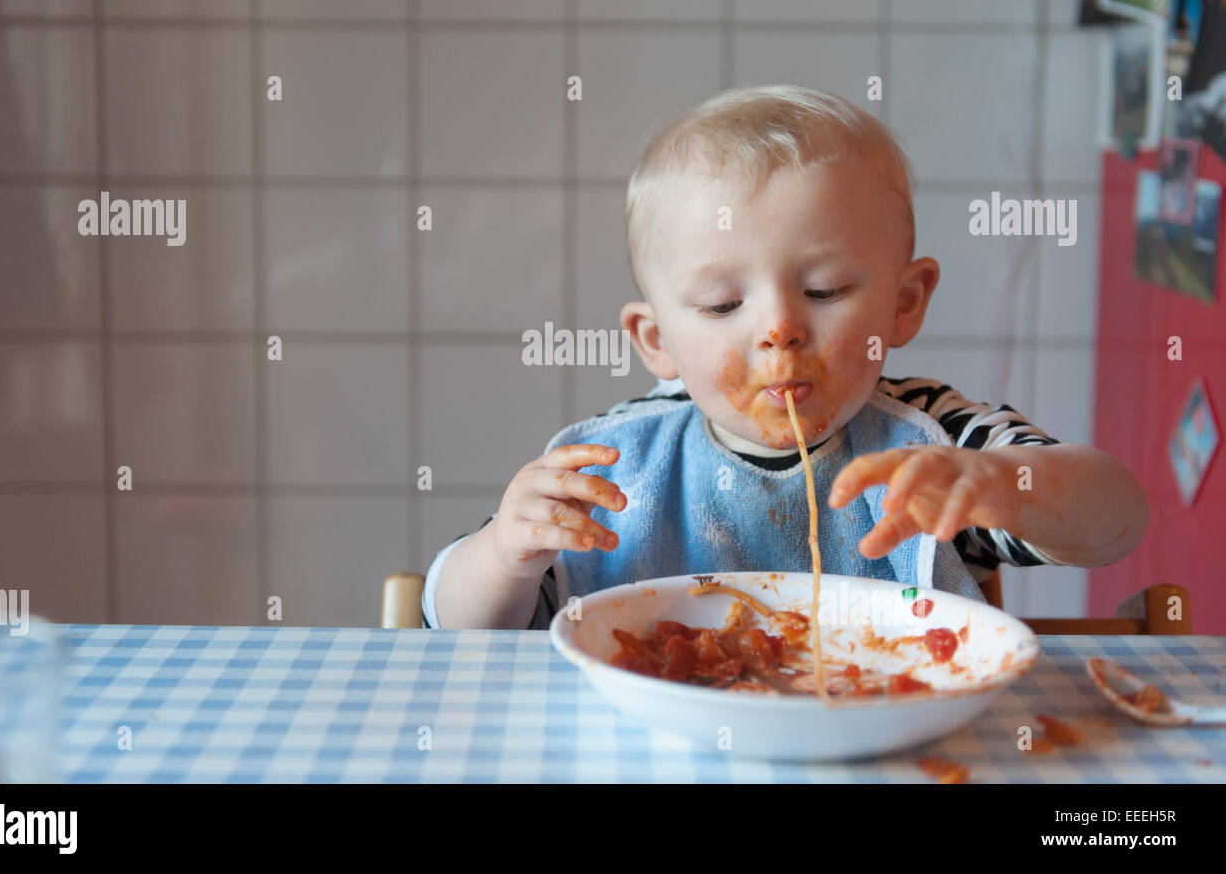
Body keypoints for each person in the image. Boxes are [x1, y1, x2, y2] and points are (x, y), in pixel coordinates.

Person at [423, 85, 1149, 630]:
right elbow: (453, 627)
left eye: (824, 289)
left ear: (903, 302)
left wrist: (1000, 485)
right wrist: (504, 556)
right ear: (656, 340)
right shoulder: (616, 468)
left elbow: (1119, 519)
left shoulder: (934, 440)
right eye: (720, 305)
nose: (778, 329)